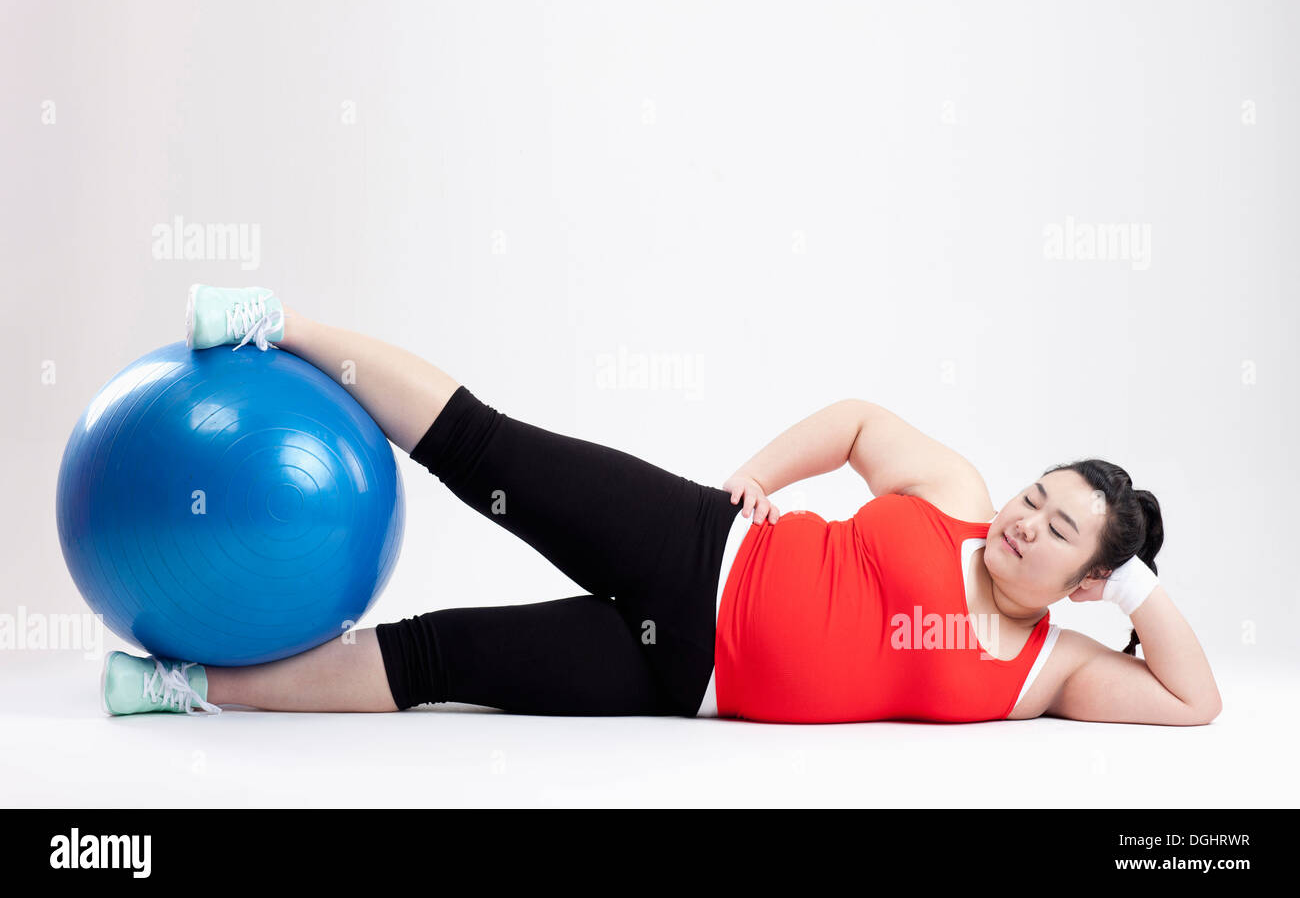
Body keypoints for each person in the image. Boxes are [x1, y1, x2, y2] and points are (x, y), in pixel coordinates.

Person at [99, 285, 1222, 725]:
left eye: (1058, 529)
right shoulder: (958, 497)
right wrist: (763, 477)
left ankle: (186, 683)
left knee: (438, 659)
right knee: (487, 445)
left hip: (680, 677)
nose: (1024, 517)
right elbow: (860, 418)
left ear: (1086, 581)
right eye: (1039, 493)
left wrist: (1137, 588)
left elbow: (1195, 702)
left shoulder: (1052, 673)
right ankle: (272, 320)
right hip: (698, 542)